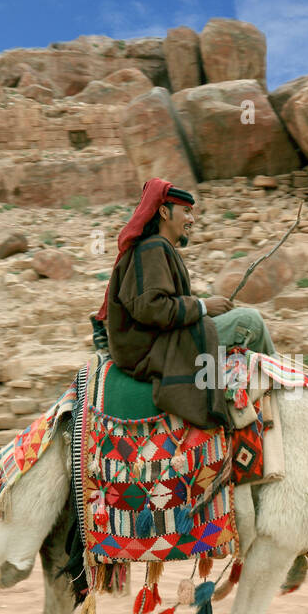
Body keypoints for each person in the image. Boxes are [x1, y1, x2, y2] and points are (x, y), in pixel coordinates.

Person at [90, 178, 276, 429]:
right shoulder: (152, 248)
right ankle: (279, 387)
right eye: (186, 211)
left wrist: (201, 308)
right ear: (164, 212)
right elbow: (151, 308)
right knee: (248, 321)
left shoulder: (156, 249)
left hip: (162, 339)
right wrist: (203, 307)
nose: (192, 219)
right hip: (153, 348)